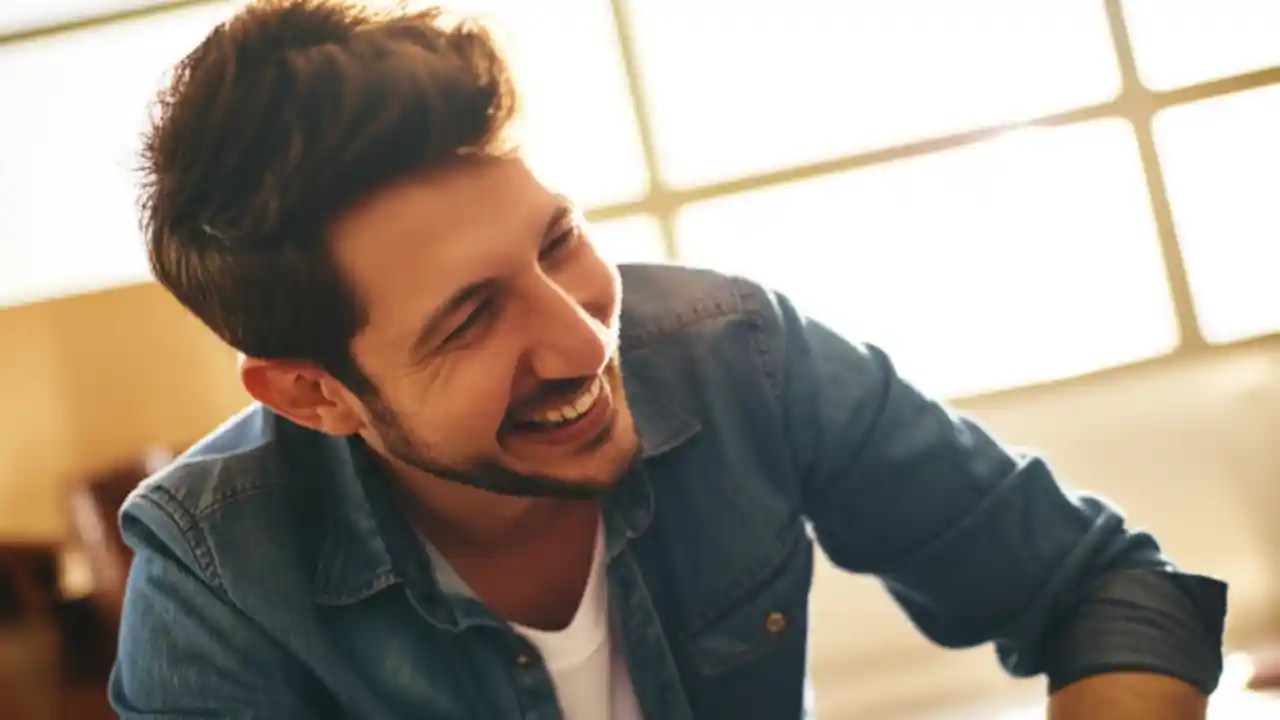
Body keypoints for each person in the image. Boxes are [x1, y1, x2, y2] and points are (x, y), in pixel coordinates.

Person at [110, 1, 1226, 718]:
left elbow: (1104, 588)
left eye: (558, 243)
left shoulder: (729, 351)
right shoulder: (217, 575)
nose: (580, 338)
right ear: (314, 395)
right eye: (465, 321)